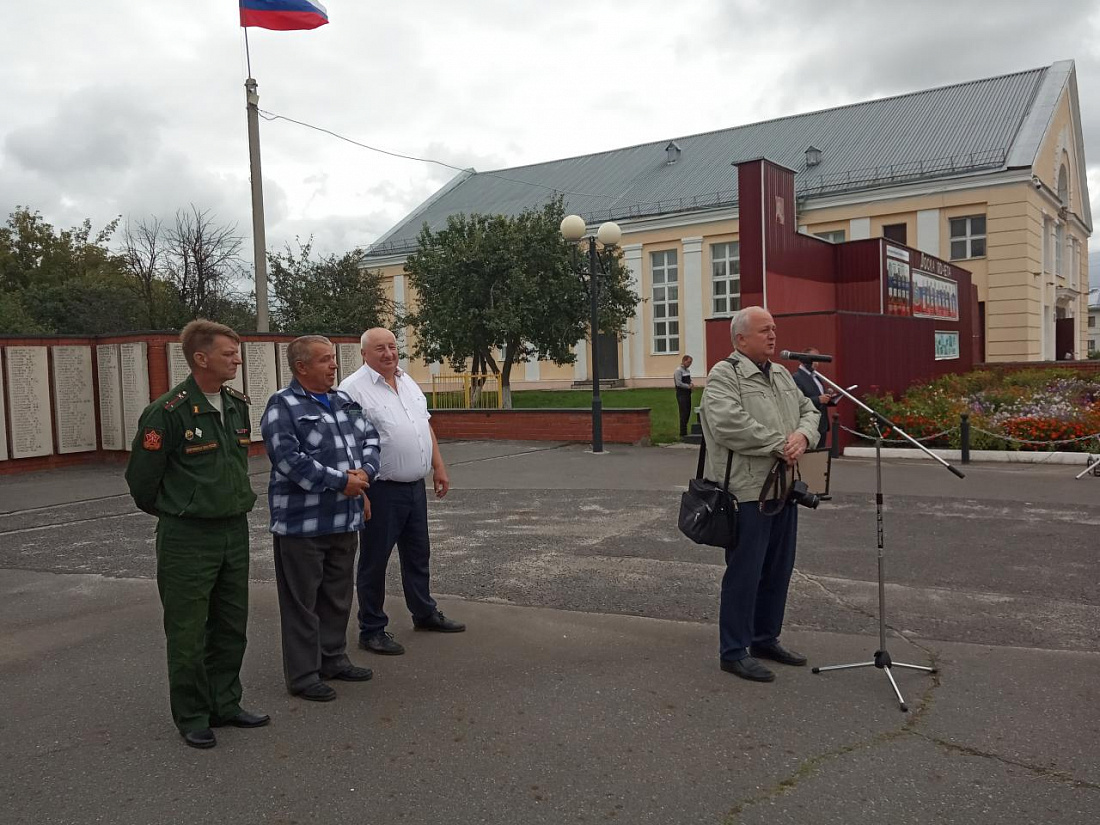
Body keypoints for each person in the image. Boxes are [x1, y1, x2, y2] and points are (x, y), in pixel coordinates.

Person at [125, 319, 268, 749]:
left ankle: (225, 702)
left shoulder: (236, 404)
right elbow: (142, 483)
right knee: (187, 631)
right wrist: (182, 510)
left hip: (233, 530)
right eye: (229, 353)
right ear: (200, 358)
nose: (237, 359)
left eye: (237, 352)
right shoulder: (166, 412)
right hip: (187, 537)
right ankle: (191, 714)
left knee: (231, 624)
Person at [699, 306, 820, 683]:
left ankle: (765, 637)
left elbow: (810, 410)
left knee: (778, 570)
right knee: (745, 573)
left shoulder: (783, 374)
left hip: (784, 489)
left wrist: (803, 436)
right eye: (764, 330)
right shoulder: (725, 375)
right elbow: (727, 423)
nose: (772, 335)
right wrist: (778, 444)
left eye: (774, 328)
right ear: (740, 339)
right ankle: (733, 651)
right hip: (746, 493)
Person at [261, 336, 382, 702]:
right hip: (302, 524)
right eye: (325, 360)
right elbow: (288, 460)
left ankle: (332, 658)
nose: (333, 366)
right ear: (301, 367)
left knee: (338, 596)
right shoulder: (283, 405)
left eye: (333, 359)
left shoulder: (346, 402)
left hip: (344, 520)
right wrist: (342, 482)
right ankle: (303, 674)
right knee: (302, 602)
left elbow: (371, 439)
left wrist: (364, 475)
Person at [338, 328, 465, 656]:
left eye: (392, 346)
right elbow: (348, 444)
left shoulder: (407, 381)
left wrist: (439, 466)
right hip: (380, 489)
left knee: (418, 553)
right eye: (380, 348)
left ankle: (423, 612)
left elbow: (424, 425)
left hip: (414, 487)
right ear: (364, 353)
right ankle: (372, 628)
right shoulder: (352, 390)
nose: (388, 353)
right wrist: (361, 490)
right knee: (375, 560)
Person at [790, 347, 834, 449]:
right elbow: (798, 401)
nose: (817, 363)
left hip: (822, 423)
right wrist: (818, 399)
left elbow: (818, 394)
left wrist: (828, 397)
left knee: (822, 456)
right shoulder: (797, 377)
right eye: (815, 359)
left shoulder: (816, 376)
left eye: (818, 360)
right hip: (810, 425)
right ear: (805, 360)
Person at [673, 355, 695, 438]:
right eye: (689, 362)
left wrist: (691, 384)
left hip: (687, 393)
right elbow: (678, 383)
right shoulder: (678, 371)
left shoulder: (687, 371)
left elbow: (689, 379)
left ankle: (685, 430)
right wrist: (688, 386)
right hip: (681, 393)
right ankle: (682, 433)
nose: (690, 364)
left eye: (691, 362)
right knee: (683, 412)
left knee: (688, 411)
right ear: (684, 361)